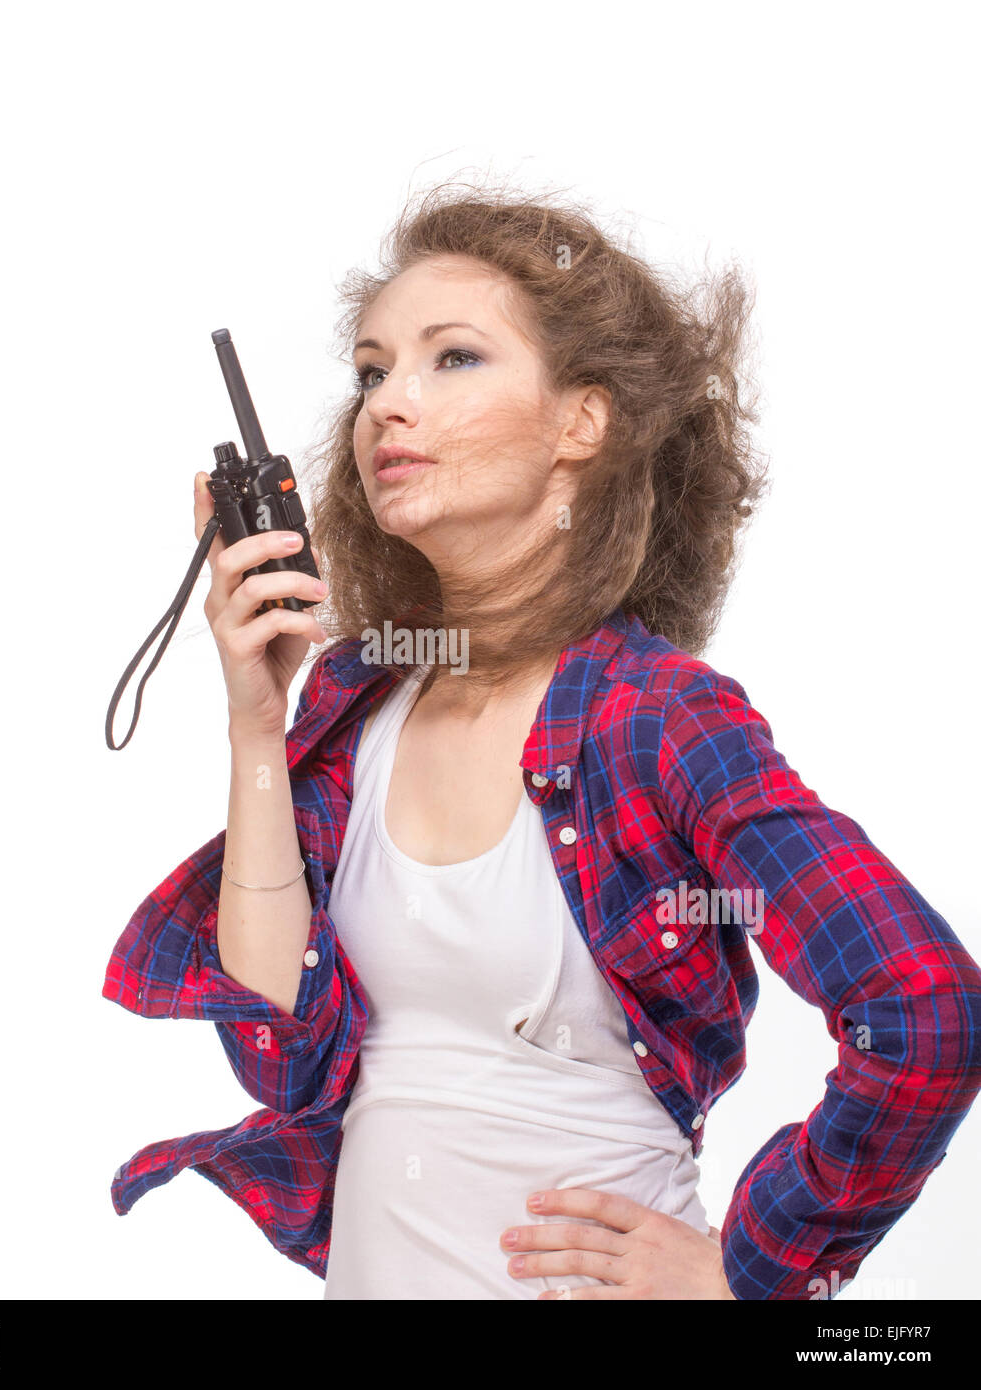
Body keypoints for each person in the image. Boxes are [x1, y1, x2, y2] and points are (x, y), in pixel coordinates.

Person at [102, 181, 981, 1300]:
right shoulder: (355, 702)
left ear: (582, 421)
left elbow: (925, 1008)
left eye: (450, 358)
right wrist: (255, 724)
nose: (385, 404)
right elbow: (285, 1037)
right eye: (372, 370)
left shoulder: (655, 718)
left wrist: (750, 1272)